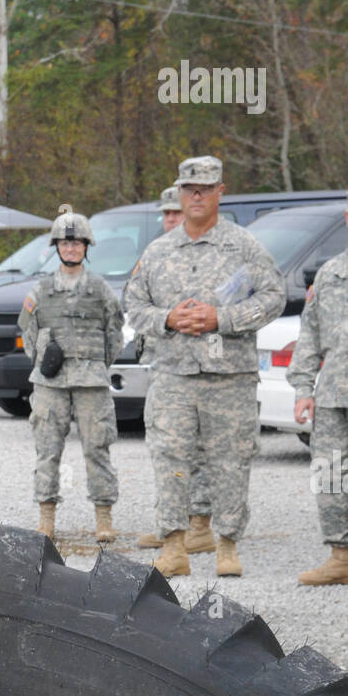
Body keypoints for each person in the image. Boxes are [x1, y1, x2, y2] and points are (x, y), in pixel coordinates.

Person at [124, 156, 285, 578]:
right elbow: (134, 304)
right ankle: (175, 546)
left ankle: (226, 545)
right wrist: (168, 319)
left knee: (232, 460)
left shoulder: (244, 246)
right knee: (170, 458)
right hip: (174, 375)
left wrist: (222, 319)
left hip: (229, 376)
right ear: (179, 192)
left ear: (220, 192)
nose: (196, 196)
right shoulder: (158, 251)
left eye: (205, 188)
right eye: (189, 189)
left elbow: (273, 297)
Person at [18, 204, 124, 545]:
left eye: (77, 243)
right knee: (48, 449)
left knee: (98, 448)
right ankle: (46, 516)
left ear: (86, 247)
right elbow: (28, 332)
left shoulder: (100, 289)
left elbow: (115, 334)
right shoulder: (41, 291)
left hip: (91, 381)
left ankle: (103, 517)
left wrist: (97, 364)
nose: (71, 248)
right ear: (57, 249)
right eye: (65, 244)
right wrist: (42, 363)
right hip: (51, 382)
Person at [137, 184, 215, 556]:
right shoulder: (155, 256)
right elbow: (137, 306)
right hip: (164, 365)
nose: (171, 219)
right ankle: (172, 522)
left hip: (201, 367)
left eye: (176, 213)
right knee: (165, 445)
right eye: (166, 214)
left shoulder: (205, 256)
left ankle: (199, 524)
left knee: (198, 446)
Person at [288, 195, 348, 584]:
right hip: (333, 395)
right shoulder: (331, 273)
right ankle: (341, 556)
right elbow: (309, 335)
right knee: (329, 474)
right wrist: (303, 388)